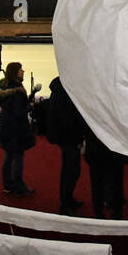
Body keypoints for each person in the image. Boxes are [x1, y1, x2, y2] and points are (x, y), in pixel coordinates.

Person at [43, 77, 86, 214]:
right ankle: (66, 202)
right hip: (69, 137)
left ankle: (68, 198)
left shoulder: (59, 90)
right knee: (71, 170)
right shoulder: (66, 91)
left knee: (72, 170)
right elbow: (70, 118)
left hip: (66, 137)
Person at [0, 62, 39, 197]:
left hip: (5, 124)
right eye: (21, 70)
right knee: (18, 156)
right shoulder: (18, 90)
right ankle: (19, 187)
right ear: (15, 72)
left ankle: (8, 185)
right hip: (16, 127)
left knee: (8, 155)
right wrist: (30, 107)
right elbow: (19, 111)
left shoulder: (3, 87)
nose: (23, 71)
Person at [83, 123, 128, 219]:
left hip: (105, 147)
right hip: (111, 146)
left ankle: (104, 212)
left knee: (99, 182)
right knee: (111, 181)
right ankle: (111, 212)